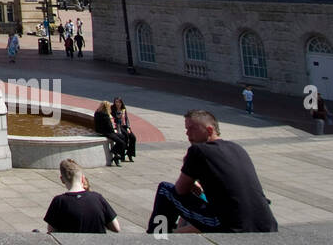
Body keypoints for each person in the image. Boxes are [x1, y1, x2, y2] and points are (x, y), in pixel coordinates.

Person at [149, 109, 278, 234]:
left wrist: (188, 169)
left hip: (229, 225)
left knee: (165, 190)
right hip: (267, 224)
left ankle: (157, 238)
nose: (187, 134)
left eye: (192, 128)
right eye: (186, 129)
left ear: (209, 130)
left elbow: (180, 190)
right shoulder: (237, 148)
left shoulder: (198, 150)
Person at [43, 159, 120, 233]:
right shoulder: (98, 198)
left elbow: (51, 231)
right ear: (83, 178)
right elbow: (116, 228)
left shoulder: (59, 201)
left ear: (62, 179)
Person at [94, 100, 129, 166]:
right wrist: (114, 131)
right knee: (121, 142)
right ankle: (114, 152)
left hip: (101, 131)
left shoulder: (97, 113)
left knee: (122, 137)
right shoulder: (105, 115)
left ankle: (116, 155)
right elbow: (109, 126)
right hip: (106, 132)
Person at [111, 97, 136, 162]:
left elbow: (126, 119)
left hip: (125, 126)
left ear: (121, 103)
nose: (118, 104)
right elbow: (114, 119)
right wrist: (118, 114)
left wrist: (128, 127)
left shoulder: (123, 109)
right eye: (116, 102)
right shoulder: (112, 109)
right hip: (118, 126)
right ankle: (122, 155)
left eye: (119, 102)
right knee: (125, 136)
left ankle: (130, 153)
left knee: (133, 137)